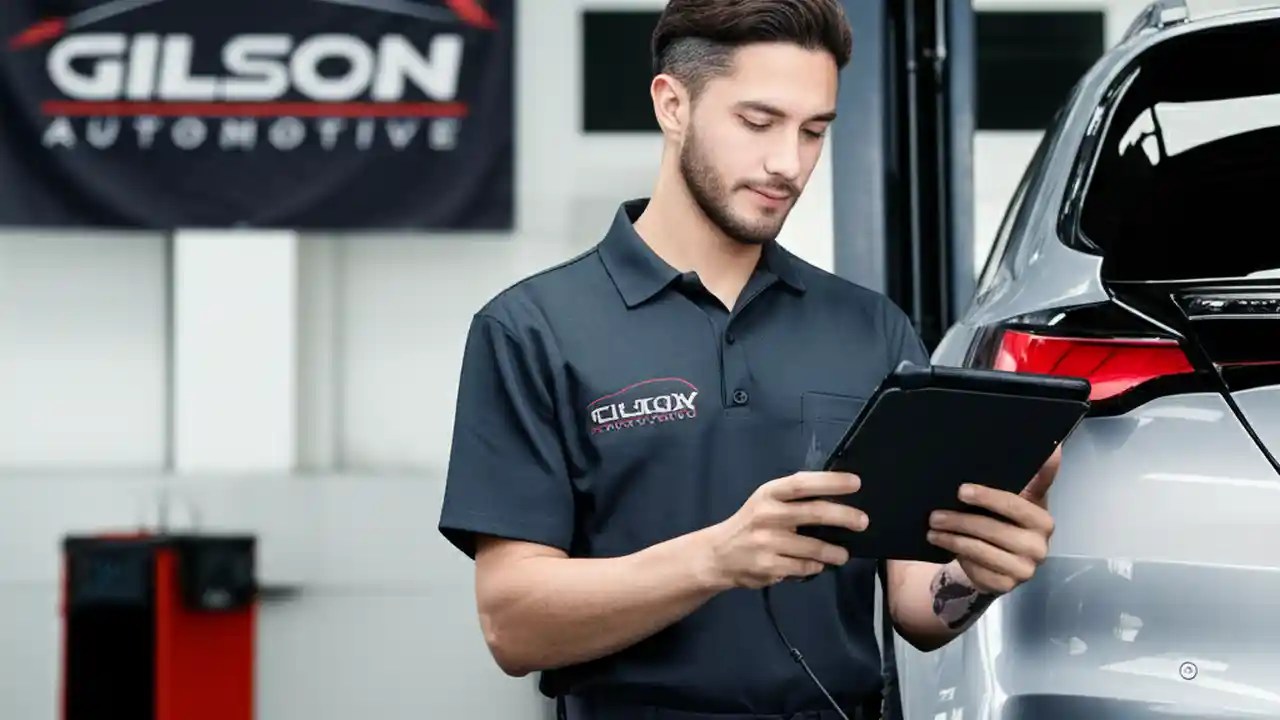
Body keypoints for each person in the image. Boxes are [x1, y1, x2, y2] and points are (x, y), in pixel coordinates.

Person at [437, 1, 1061, 718]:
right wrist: (714, 559)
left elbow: (920, 609)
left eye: (814, 131)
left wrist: (977, 572)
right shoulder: (534, 330)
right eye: (758, 123)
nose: (787, 163)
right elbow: (513, 625)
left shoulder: (871, 330)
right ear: (673, 105)